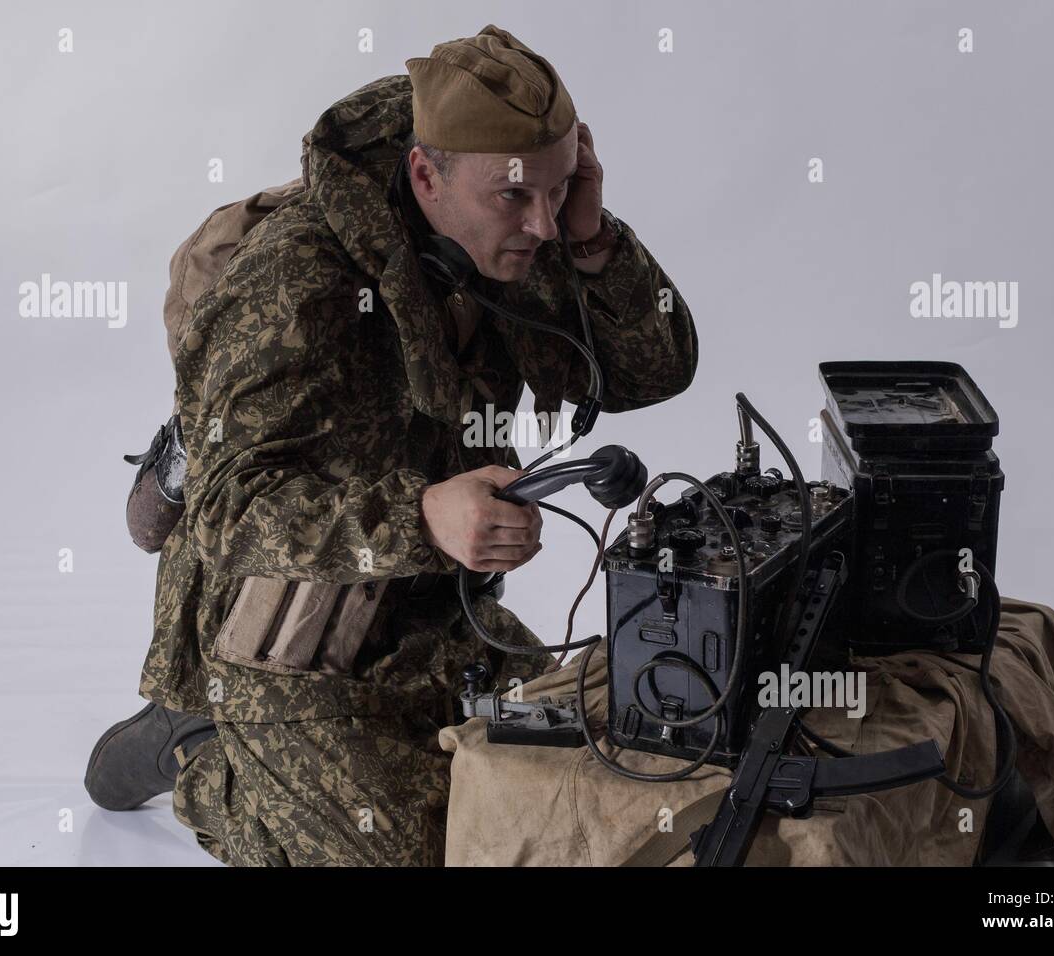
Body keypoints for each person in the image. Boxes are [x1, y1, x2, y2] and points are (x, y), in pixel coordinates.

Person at [85, 24, 699, 866]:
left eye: (558, 193)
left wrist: (593, 236)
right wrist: (425, 516)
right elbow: (229, 511)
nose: (543, 224)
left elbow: (649, 371)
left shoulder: (515, 227)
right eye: (520, 199)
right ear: (425, 176)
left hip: (430, 607)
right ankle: (198, 751)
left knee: (573, 788)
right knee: (411, 851)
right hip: (281, 637)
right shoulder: (295, 279)